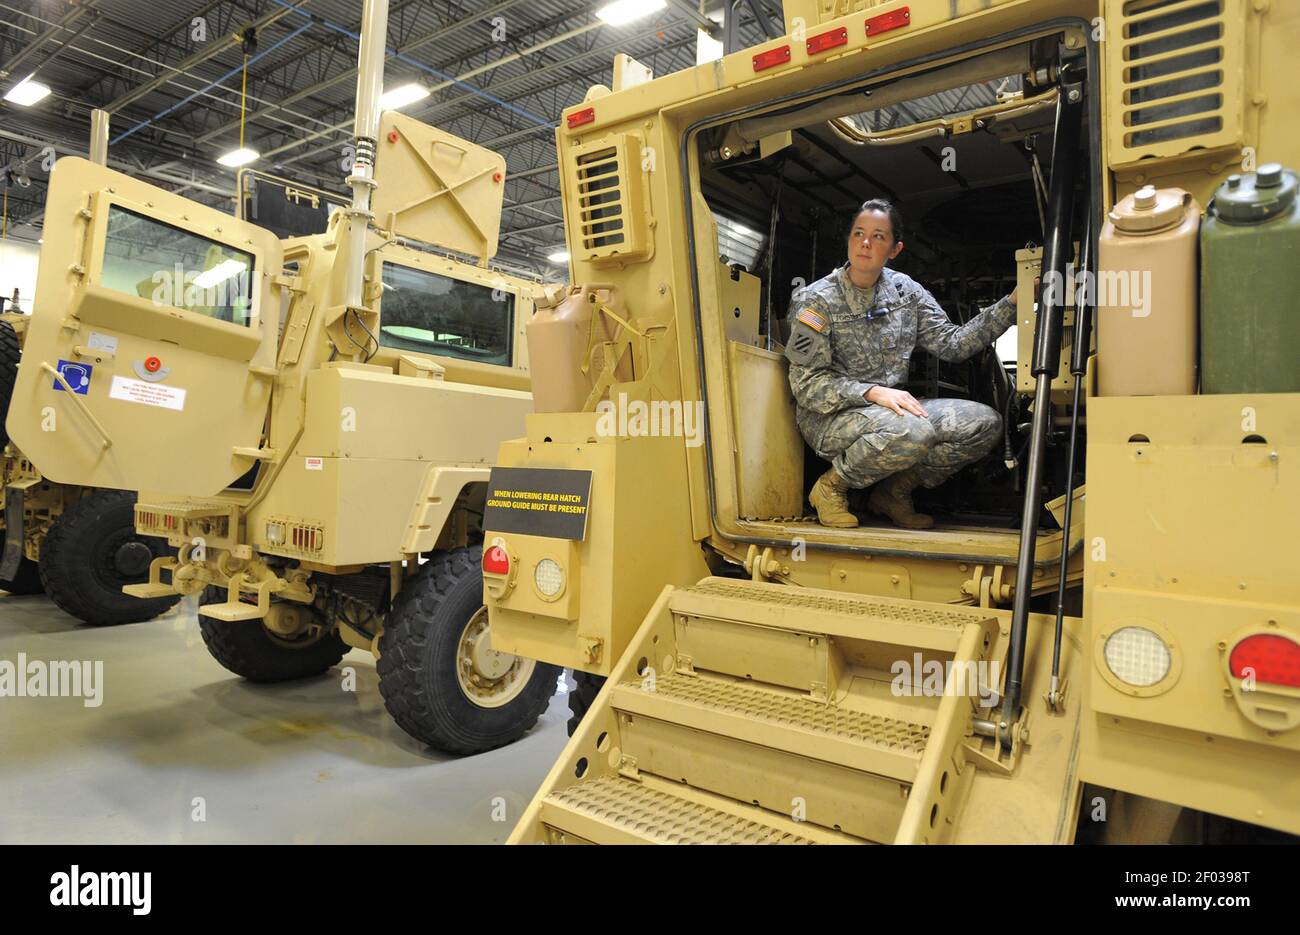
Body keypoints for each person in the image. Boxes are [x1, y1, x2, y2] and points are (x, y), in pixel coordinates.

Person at [784, 199, 1020, 529]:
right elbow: (806, 386)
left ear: (895, 249)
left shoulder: (905, 292)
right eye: (858, 233)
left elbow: (952, 344)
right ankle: (831, 487)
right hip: (829, 417)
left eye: (878, 236)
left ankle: (893, 493)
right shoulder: (815, 301)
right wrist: (872, 392)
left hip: (892, 412)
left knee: (984, 423)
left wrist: (1012, 303)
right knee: (914, 429)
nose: (865, 243)